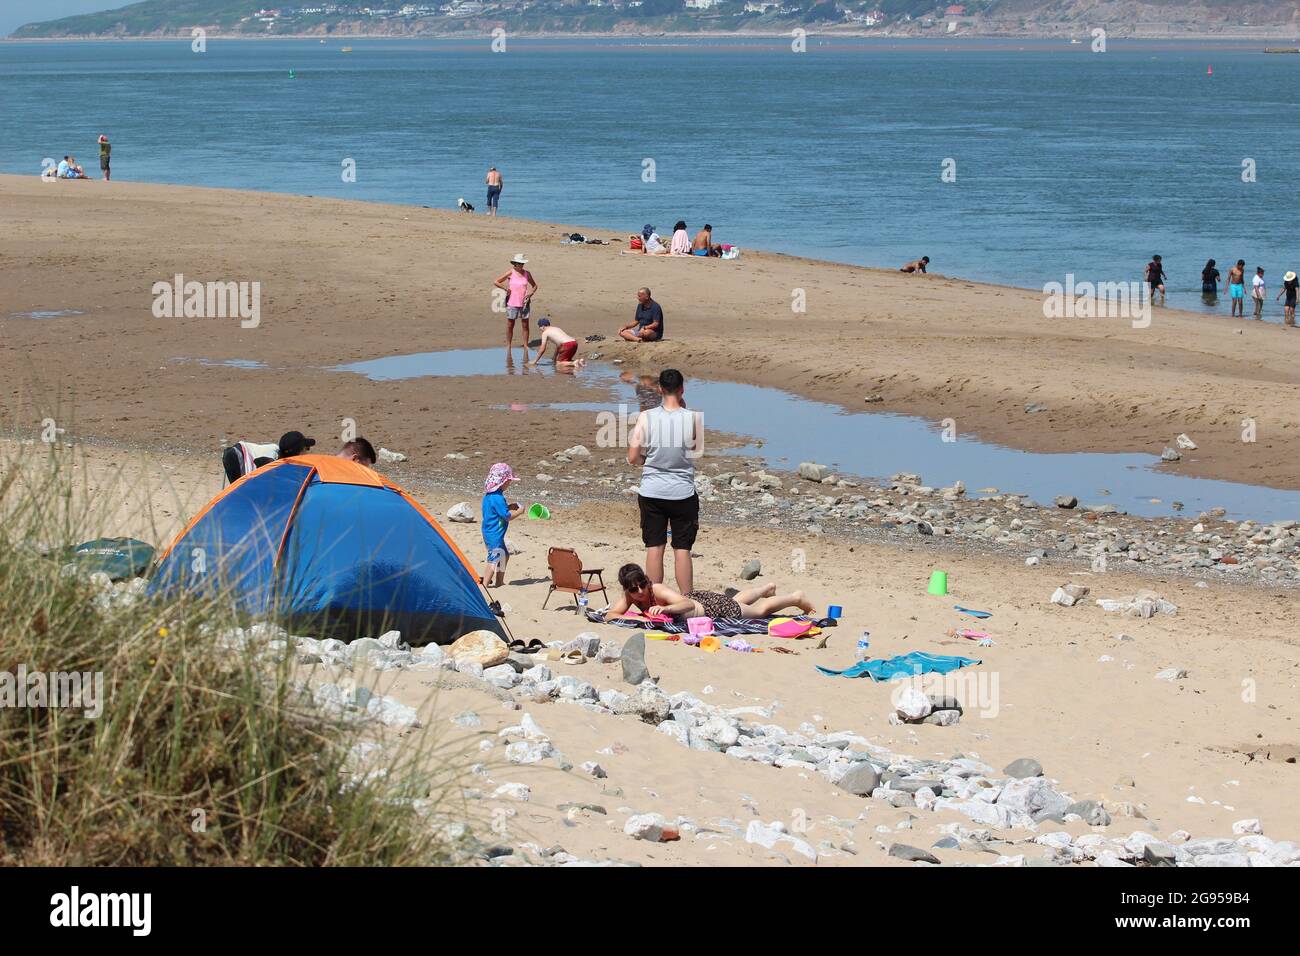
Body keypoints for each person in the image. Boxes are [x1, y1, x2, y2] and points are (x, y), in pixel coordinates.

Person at [628, 369, 702, 594]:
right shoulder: (693, 418)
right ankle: (687, 599)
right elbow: (694, 452)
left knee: (654, 547)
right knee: (682, 549)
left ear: (660, 389)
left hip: (652, 490)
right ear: (682, 390)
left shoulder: (646, 416)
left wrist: (646, 460)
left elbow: (633, 457)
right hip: (682, 491)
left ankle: (654, 598)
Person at [605, 563, 814, 622]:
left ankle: (795, 597)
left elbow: (685, 604)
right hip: (701, 604)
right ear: (627, 590)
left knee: (757, 613)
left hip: (707, 607)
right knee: (735, 601)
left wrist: (665, 608)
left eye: (642, 584)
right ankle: (765, 588)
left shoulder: (656, 590)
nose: (640, 591)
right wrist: (640, 620)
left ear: (647, 581)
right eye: (634, 589)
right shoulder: (629, 596)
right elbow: (610, 615)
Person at [480, 463, 522, 586]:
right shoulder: (498, 498)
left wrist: (509, 507)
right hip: (494, 534)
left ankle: (499, 581)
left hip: (490, 532)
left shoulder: (489, 497)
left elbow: (496, 512)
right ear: (501, 481)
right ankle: (485, 585)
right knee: (494, 558)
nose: (509, 484)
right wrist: (519, 511)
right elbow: (507, 516)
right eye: (508, 481)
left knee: (504, 555)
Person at [221, 430, 315, 484]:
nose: (307, 451)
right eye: (306, 448)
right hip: (237, 458)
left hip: (236, 451)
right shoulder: (274, 463)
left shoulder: (275, 450)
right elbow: (259, 462)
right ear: (297, 453)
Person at [494, 253, 537, 355]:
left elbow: (535, 286)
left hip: (525, 302)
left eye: (522, 263)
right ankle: (508, 345)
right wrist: (505, 288)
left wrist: (531, 293)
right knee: (510, 324)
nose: (521, 265)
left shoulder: (527, 273)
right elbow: (496, 281)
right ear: (515, 264)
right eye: (519, 263)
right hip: (512, 302)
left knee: (525, 324)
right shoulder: (511, 272)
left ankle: (526, 345)